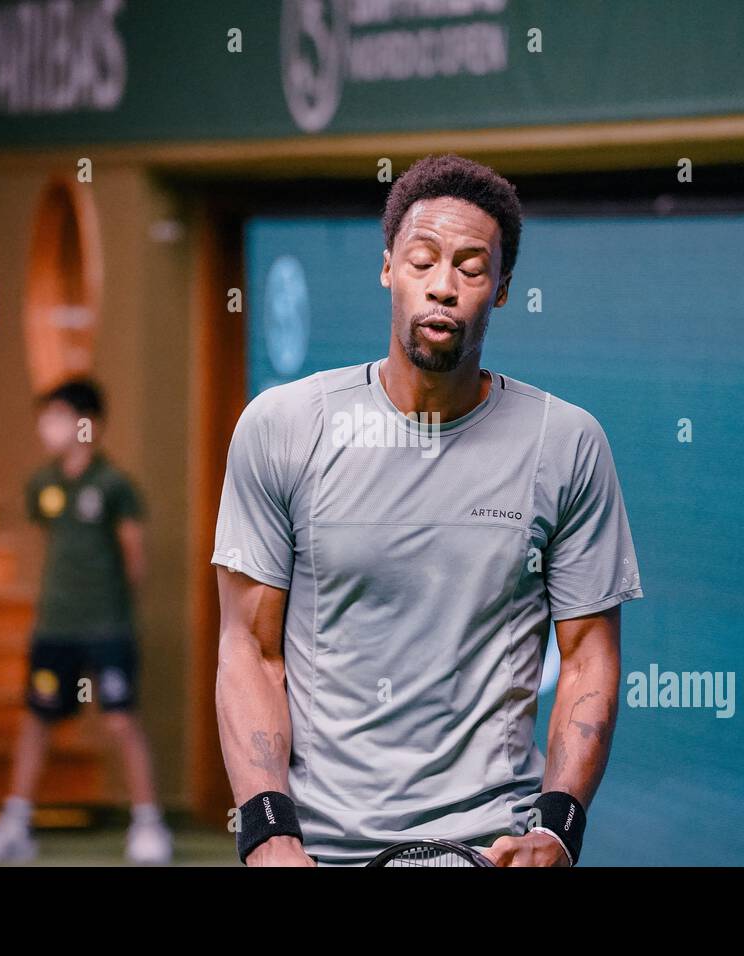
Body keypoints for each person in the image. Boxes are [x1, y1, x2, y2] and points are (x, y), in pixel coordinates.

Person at [213, 154, 645, 867]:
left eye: (473, 269)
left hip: (488, 849)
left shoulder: (566, 444)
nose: (443, 286)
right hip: (317, 853)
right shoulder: (284, 428)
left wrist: (558, 827)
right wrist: (266, 832)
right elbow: (250, 650)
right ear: (388, 268)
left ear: (501, 290)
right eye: (422, 260)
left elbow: (589, 654)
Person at [0, 377, 173, 864]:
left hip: (107, 627)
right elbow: (50, 543)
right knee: (36, 719)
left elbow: (133, 556)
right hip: (54, 627)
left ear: (88, 425)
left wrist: (117, 613)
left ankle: (147, 823)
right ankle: (15, 825)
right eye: (46, 417)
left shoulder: (115, 486)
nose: (48, 427)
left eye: (58, 417)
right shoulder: (43, 485)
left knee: (120, 720)